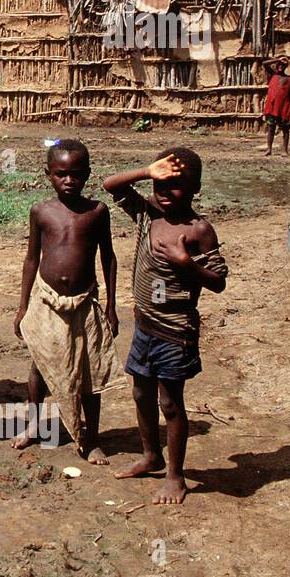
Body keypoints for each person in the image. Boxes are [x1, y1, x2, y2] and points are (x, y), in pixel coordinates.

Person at [104, 148, 228, 505]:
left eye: (176, 186)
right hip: (144, 324)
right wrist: (146, 171)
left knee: (170, 404)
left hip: (175, 330)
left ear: (195, 189)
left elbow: (218, 282)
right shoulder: (149, 213)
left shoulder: (199, 229)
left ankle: (175, 475)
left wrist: (186, 263)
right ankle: (151, 456)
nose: (165, 191)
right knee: (141, 393)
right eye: (161, 183)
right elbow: (110, 185)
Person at [13, 140, 119, 463]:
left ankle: (93, 437)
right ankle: (33, 424)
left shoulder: (97, 212)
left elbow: (109, 258)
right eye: (61, 174)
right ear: (48, 175)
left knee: (88, 371)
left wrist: (112, 307)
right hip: (45, 299)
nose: (69, 181)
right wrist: (22, 307)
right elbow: (32, 258)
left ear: (87, 174)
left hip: (84, 301)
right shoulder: (41, 212)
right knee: (40, 364)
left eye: (76, 174)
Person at [262, 56, 290, 157]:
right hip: (272, 107)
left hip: (283, 108)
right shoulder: (272, 75)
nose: (281, 67)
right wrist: (278, 59)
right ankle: (269, 149)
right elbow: (264, 63)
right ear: (276, 66)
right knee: (271, 128)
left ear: (286, 67)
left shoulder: (289, 79)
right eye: (279, 65)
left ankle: (284, 150)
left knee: (285, 129)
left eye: (283, 65)